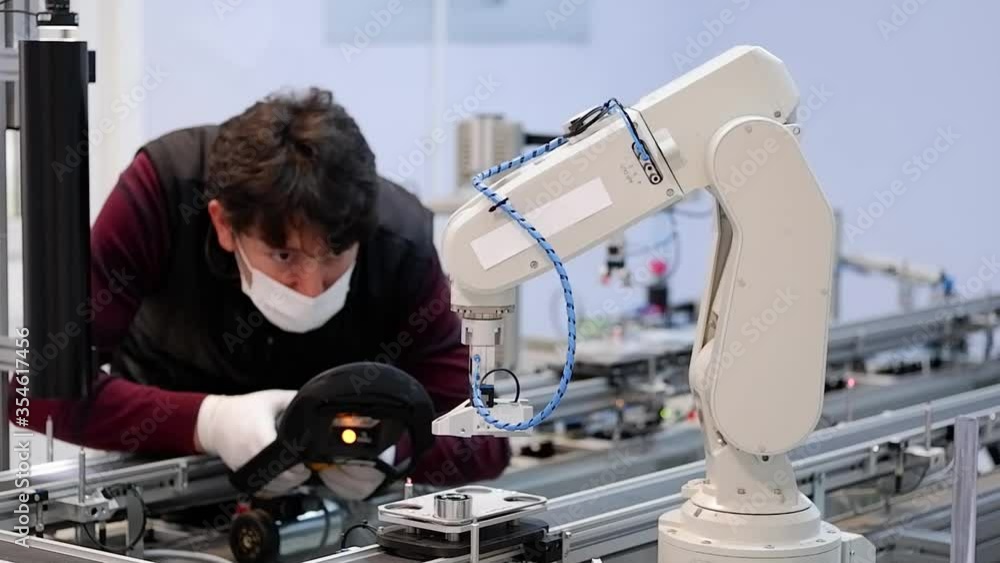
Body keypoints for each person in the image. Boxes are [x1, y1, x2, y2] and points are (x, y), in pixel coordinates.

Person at [11, 87, 510, 498]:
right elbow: (36, 390)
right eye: (285, 256)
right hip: (161, 495)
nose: (311, 287)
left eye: (335, 255)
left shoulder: (397, 236)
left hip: (337, 515)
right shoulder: (161, 194)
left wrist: (396, 449)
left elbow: (485, 436)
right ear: (223, 226)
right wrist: (207, 422)